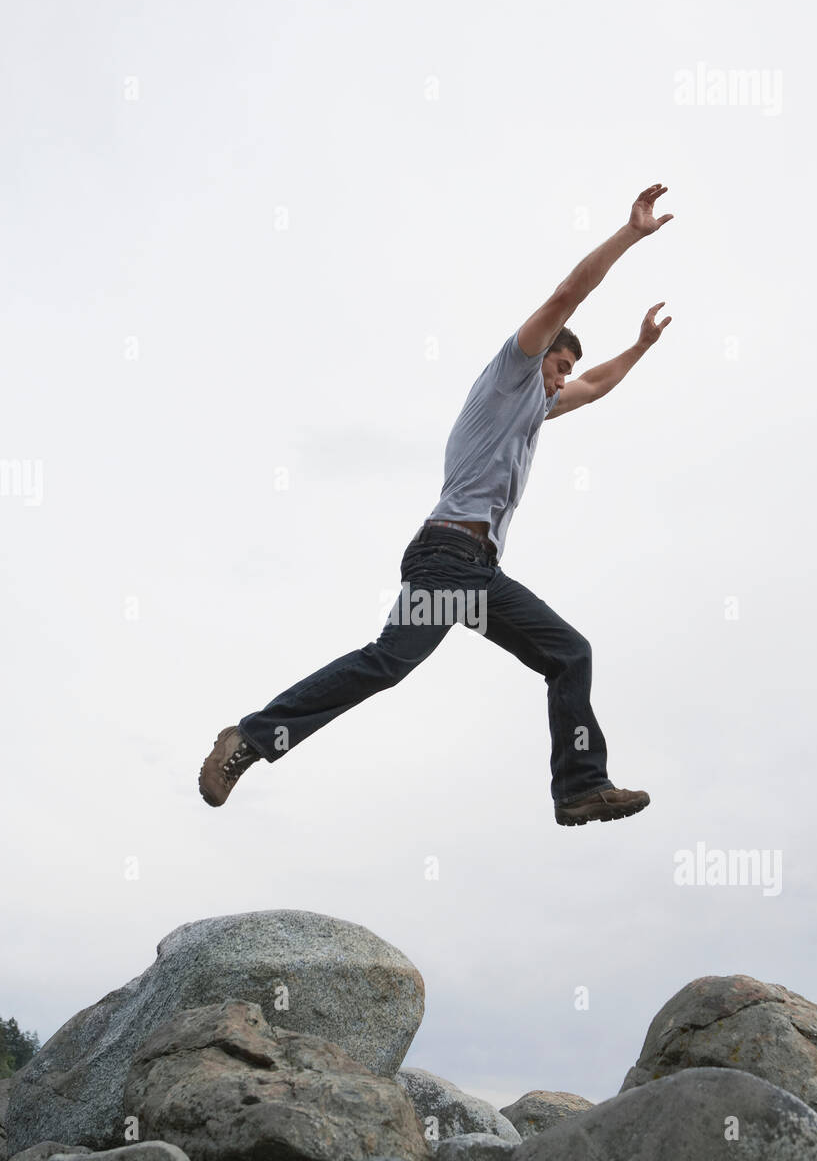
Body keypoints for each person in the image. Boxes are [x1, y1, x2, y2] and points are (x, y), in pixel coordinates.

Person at [199, 183, 673, 825]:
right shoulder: (511, 371)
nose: (560, 380)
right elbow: (567, 295)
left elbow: (595, 385)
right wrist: (630, 235)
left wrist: (642, 348)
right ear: (538, 353)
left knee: (569, 653)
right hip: (446, 558)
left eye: (563, 372)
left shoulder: (537, 405)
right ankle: (251, 740)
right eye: (556, 364)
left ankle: (580, 788)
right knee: (387, 664)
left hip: (478, 572)